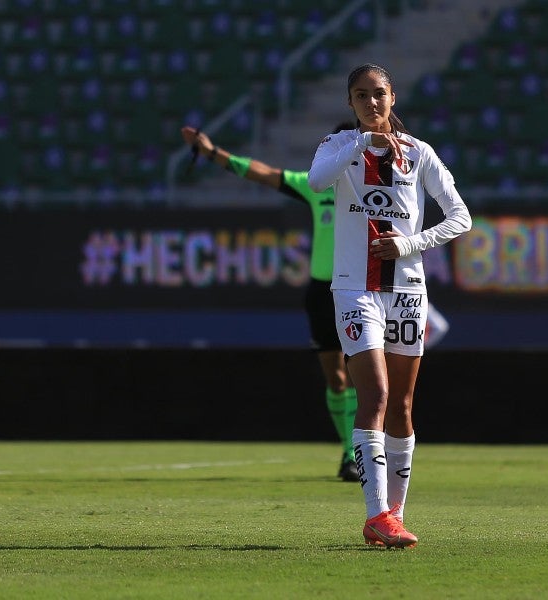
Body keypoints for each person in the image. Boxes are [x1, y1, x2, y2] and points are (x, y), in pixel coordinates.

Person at [179, 122, 451, 484]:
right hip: (324, 291)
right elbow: (265, 173)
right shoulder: (319, 186)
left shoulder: (378, 182)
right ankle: (348, 451)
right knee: (337, 379)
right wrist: (213, 153)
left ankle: (358, 458)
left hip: (365, 286)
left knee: (366, 382)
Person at [308, 63, 471, 548]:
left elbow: (461, 217)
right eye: (361, 96)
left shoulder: (419, 154)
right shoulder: (336, 147)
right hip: (354, 290)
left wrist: (410, 244)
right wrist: (361, 142)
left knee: (401, 404)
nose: (371, 103)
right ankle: (375, 513)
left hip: (407, 291)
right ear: (351, 104)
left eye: (378, 94)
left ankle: (393, 513)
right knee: (374, 395)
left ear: (393, 97)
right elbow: (317, 182)